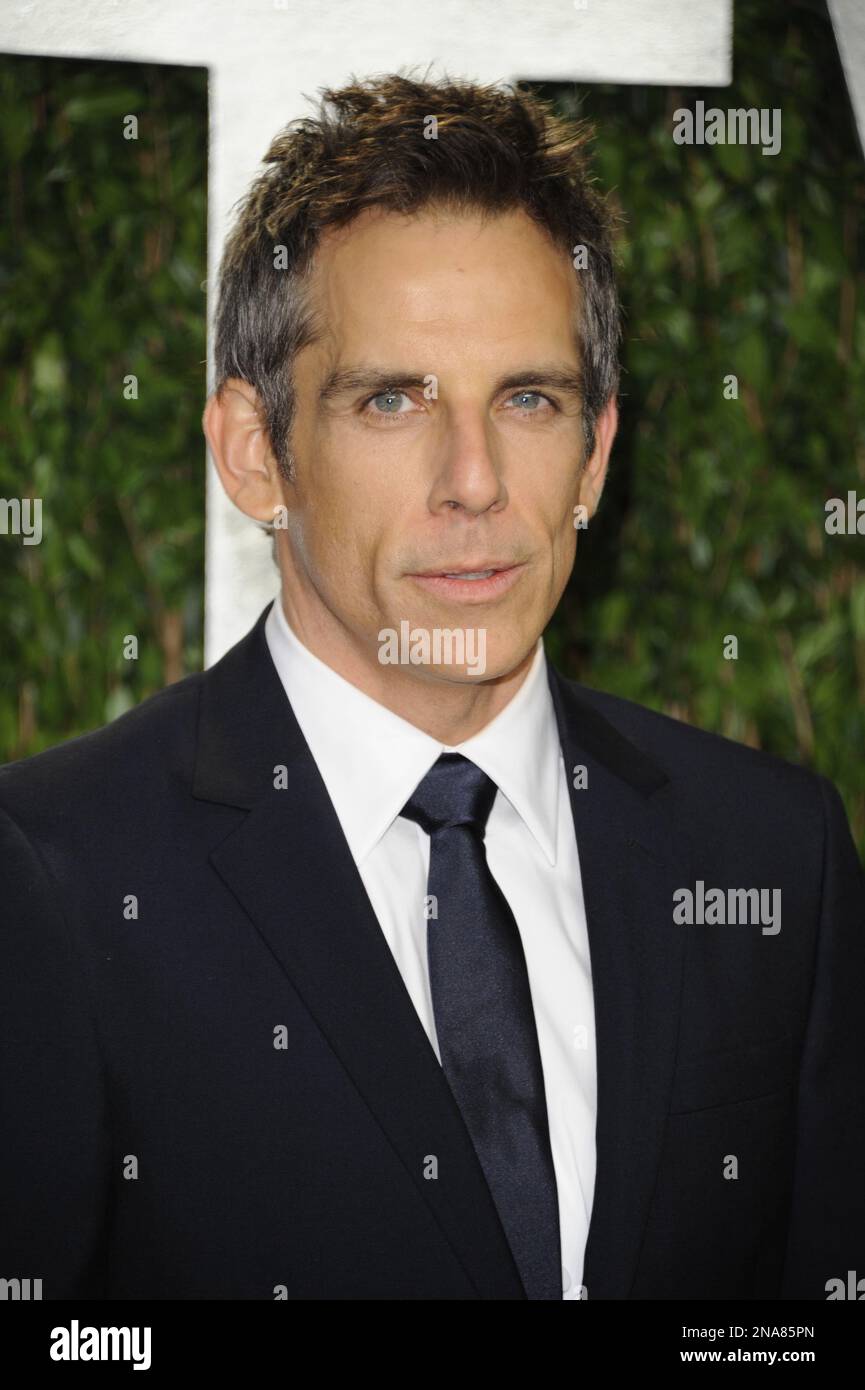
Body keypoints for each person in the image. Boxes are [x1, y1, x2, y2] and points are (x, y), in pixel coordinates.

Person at [1, 72, 863, 1302]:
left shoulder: (774, 855)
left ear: (595, 453)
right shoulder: (56, 875)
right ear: (258, 452)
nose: (475, 481)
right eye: (392, 398)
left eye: (527, 398)